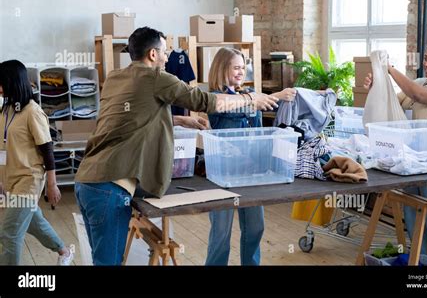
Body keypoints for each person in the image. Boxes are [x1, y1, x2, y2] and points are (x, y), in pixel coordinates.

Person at [74, 27, 279, 265]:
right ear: (152, 54)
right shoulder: (156, 78)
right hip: (110, 186)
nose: (168, 57)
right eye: (165, 51)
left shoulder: (115, 78)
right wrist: (250, 99)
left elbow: (132, 118)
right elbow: (205, 101)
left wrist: (181, 120)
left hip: (87, 181)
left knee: (103, 260)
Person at [364, 39, 427, 263]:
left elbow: (420, 96)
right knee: (413, 214)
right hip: (414, 162)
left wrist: (388, 69)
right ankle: (423, 262)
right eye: (425, 59)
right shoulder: (420, 82)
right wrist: (378, 86)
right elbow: (394, 102)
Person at [205, 47, 296, 265]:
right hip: (224, 175)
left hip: (252, 172)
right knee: (221, 233)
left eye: (243, 67)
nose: (240, 72)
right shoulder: (216, 98)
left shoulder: (248, 95)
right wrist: (273, 96)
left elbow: (256, 116)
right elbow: (239, 109)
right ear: (221, 69)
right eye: (235, 67)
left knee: (256, 227)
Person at [0, 60, 74, 265]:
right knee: (33, 221)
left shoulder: (32, 111)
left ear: (12, 82)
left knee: (9, 233)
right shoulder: (5, 111)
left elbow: (47, 150)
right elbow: (2, 148)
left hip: (29, 180)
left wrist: (52, 184)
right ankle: (64, 252)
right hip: (11, 180)